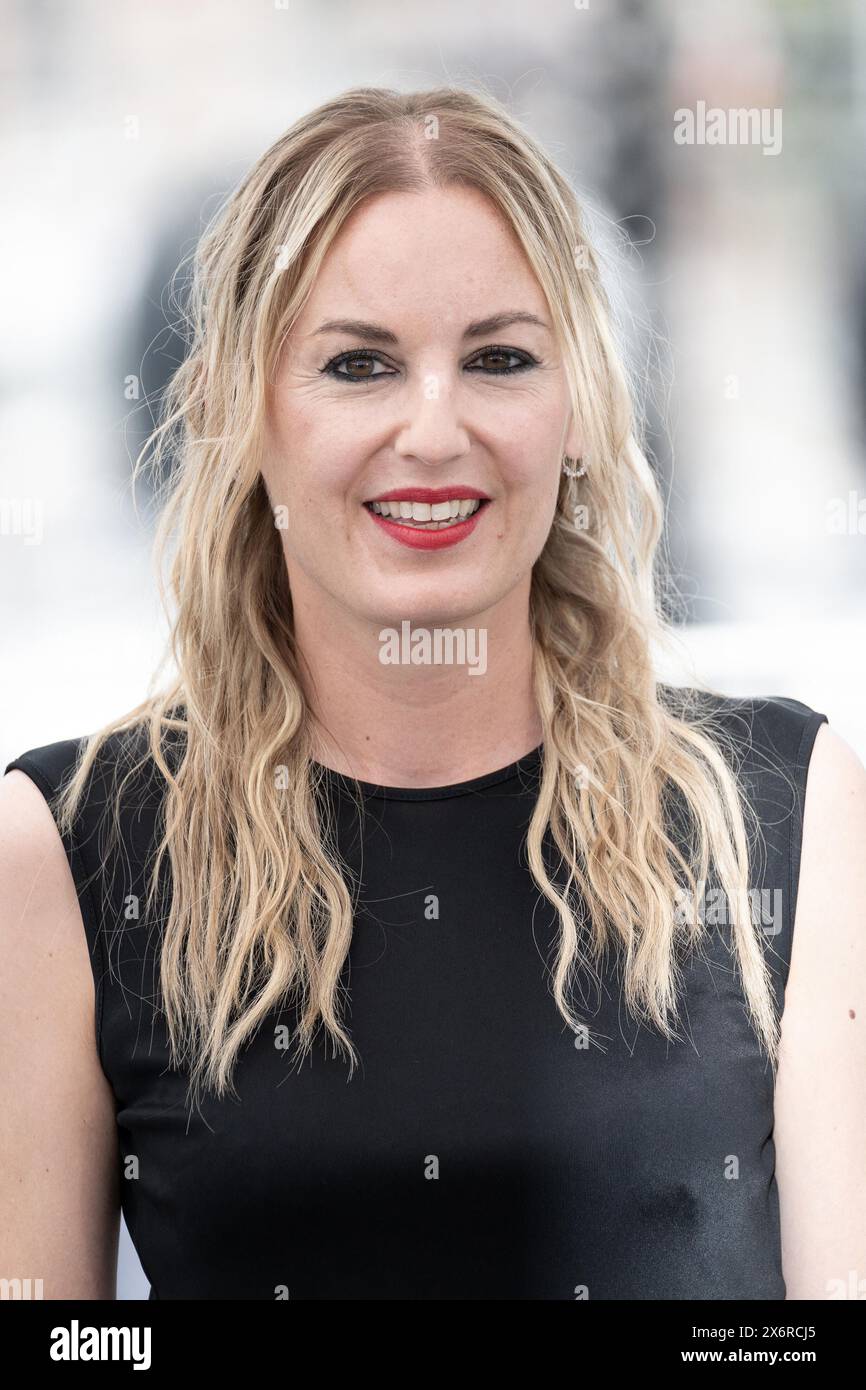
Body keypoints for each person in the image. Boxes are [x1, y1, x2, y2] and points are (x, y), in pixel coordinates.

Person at [1, 85, 864, 1302]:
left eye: (499, 358)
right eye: (359, 365)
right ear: (247, 416)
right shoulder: (70, 850)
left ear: (576, 412)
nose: (433, 428)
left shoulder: (784, 813)